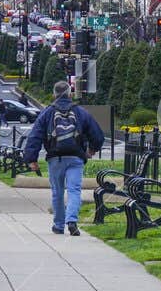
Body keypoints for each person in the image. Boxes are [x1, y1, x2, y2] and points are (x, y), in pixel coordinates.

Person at [23, 80, 105, 236]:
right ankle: (72, 220)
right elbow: (97, 134)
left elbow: (35, 136)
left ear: (54, 94)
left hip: (55, 157)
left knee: (57, 192)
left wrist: (31, 159)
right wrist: (92, 149)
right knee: (74, 190)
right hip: (76, 157)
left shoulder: (47, 112)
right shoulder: (81, 112)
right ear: (69, 94)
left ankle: (59, 225)